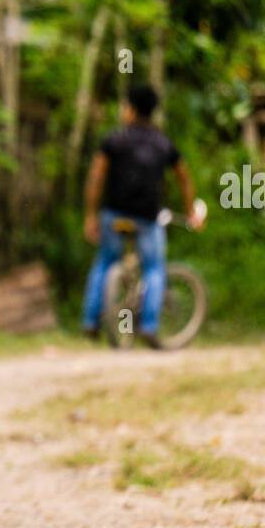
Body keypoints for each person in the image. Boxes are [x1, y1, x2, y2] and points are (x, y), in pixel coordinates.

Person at [81, 84, 202, 347]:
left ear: (132, 110)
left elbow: (96, 177)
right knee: (154, 268)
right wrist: (191, 210)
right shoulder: (163, 144)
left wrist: (90, 215)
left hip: (114, 215)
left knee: (104, 261)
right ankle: (149, 326)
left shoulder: (114, 140)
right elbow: (184, 177)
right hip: (147, 219)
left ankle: (90, 321)